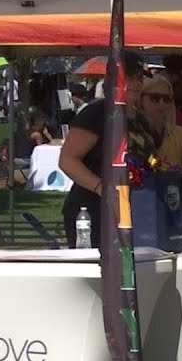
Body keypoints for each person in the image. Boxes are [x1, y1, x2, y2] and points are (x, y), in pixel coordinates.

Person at [59, 52, 147, 246]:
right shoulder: (97, 113)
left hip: (130, 210)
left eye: (139, 78)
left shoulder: (138, 119)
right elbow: (67, 159)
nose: (136, 83)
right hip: (92, 209)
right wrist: (102, 188)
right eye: (129, 78)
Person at [136, 75, 182, 169]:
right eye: (155, 98)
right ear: (140, 99)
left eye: (166, 99)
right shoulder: (130, 133)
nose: (161, 103)